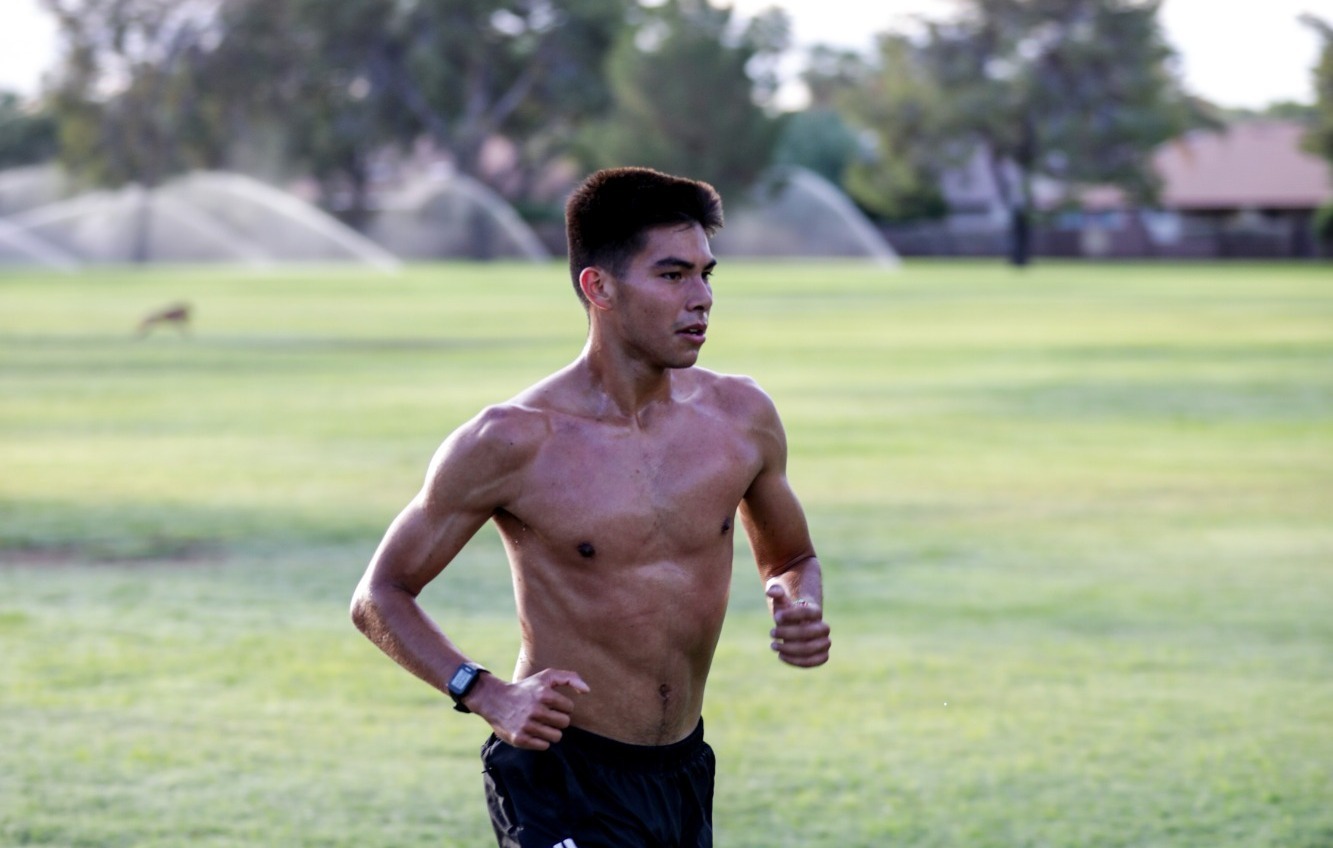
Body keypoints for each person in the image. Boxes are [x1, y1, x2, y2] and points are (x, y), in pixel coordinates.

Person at [350, 166, 831, 848]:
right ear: (598, 286)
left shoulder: (740, 417)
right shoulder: (512, 440)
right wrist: (484, 692)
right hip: (561, 777)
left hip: (681, 769)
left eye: (705, 274)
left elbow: (790, 557)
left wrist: (799, 602)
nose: (700, 298)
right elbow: (380, 594)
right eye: (671, 276)